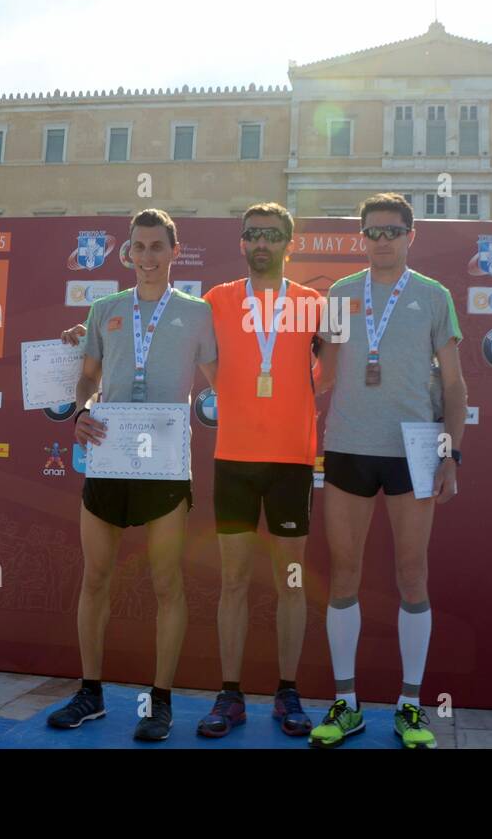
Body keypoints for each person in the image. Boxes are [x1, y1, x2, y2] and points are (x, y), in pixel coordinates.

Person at [47, 208, 217, 742]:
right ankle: (90, 693)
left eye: (156, 247)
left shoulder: (198, 312)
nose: (147, 257)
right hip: (109, 457)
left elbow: (219, 382)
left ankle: (160, 703)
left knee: (167, 583)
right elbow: (88, 380)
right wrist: (80, 411)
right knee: (96, 578)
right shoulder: (104, 308)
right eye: (138, 247)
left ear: (174, 251)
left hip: (165, 464)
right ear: (128, 252)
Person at [308, 192, 467, 750]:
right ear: (362, 237)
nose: (381, 241)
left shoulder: (433, 295)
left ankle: (411, 706)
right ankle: (346, 702)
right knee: (344, 574)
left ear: (410, 234)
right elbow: (321, 376)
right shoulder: (340, 294)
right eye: (372, 232)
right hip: (349, 445)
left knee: (412, 575)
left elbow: (452, 383)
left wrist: (451, 452)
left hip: (415, 448)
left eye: (391, 231)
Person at [193, 203, 323, 738]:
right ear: (242, 243)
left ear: (290, 243)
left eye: (271, 235)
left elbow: (330, 366)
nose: (261, 243)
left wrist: (295, 386)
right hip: (234, 461)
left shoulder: (314, 303)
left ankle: (287, 691)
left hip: (292, 460)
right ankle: (230, 695)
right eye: (252, 235)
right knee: (234, 582)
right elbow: (201, 353)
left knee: (291, 582)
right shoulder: (217, 300)